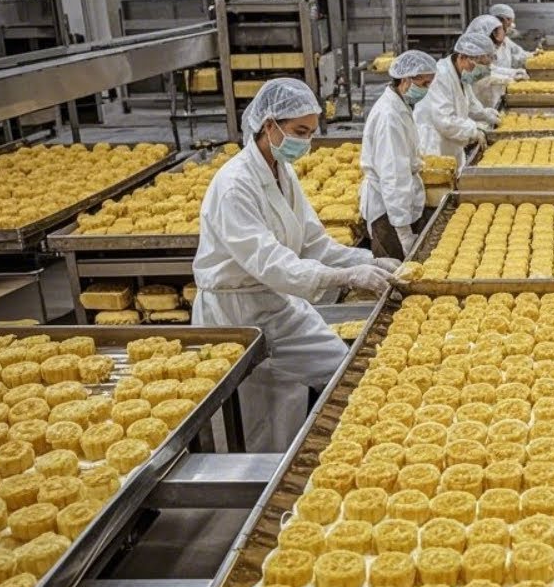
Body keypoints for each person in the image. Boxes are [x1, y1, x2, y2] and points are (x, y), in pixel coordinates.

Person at [193, 78, 401, 452]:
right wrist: (345, 276)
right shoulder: (234, 185)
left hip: (275, 303)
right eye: (300, 132)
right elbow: (271, 262)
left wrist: (369, 260)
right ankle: (263, 481)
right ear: (269, 125)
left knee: (341, 368)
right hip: (235, 312)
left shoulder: (282, 172)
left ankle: (328, 452)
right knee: (255, 410)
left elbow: (312, 242)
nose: (306, 143)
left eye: (311, 133)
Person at [360, 50, 437, 261]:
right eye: (423, 84)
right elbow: (393, 176)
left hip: (396, 207)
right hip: (388, 213)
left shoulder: (400, 105)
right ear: (405, 80)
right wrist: (403, 230)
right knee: (393, 271)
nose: (427, 90)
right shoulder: (389, 117)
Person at [414, 32, 498, 168]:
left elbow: (470, 105)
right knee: (440, 182)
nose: (477, 71)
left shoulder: (462, 74)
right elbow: (444, 121)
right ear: (462, 57)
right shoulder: (440, 76)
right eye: (476, 65)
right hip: (434, 143)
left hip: (452, 143)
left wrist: (487, 115)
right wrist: (473, 131)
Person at [465, 14, 529, 109]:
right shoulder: (467, 58)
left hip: (481, 109)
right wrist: (507, 80)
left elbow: (490, 69)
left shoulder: (478, 54)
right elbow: (481, 80)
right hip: (470, 114)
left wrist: (513, 73)